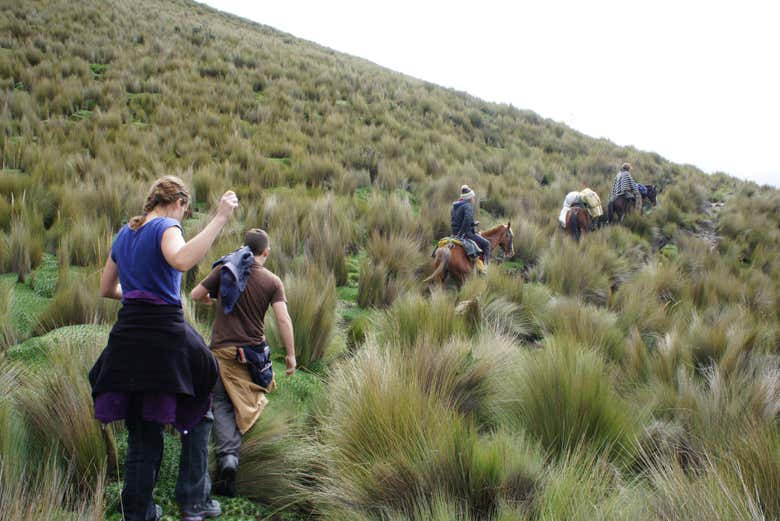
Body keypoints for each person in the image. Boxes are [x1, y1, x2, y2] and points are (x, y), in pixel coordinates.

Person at [90, 176, 238, 521]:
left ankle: (139, 512)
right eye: (185, 211)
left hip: (128, 335)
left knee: (143, 427)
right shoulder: (167, 225)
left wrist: (140, 292)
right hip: (164, 332)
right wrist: (219, 219)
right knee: (203, 403)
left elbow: (107, 288)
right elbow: (182, 260)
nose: (183, 218)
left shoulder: (125, 233)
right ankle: (193, 500)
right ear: (178, 203)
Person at [190, 229, 296, 498]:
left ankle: (227, 460)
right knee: (247, 401)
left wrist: (210, 298)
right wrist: (291, 354)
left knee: (223, 404)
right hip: (253, 357)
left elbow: (195, 294)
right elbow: (283, 319)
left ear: (244, 247)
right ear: (266, 252)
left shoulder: (226, 269)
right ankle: (231, 459)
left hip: (221, 353)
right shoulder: (273, 281)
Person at [451, 184, 490, 270]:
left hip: (453, 233)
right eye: (473, 197)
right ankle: (486, 268)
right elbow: (466, 222)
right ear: (469, 198)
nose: (473, 199)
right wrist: (461, 234)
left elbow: (458, 221)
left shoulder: (454, 206)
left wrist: (473, 224)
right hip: (466, 234)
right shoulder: (468, 206)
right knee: (487, 244)